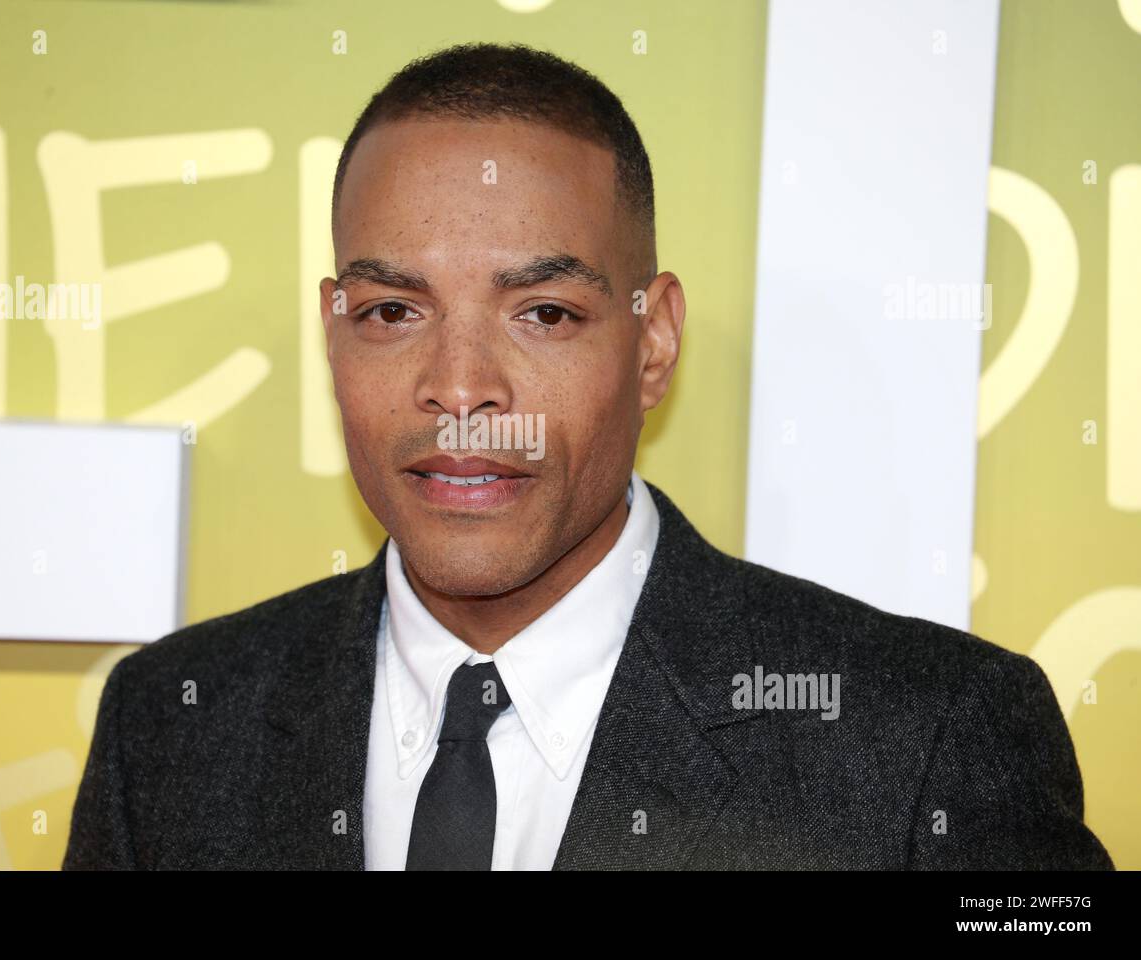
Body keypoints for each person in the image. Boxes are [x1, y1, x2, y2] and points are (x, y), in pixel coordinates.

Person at [64, 43, 1112, 870]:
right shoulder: (169, 727)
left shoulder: (926, 737)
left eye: (544, 313)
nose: (462, 386)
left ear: (652, 342)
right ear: (334, 331)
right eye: (391, 309)